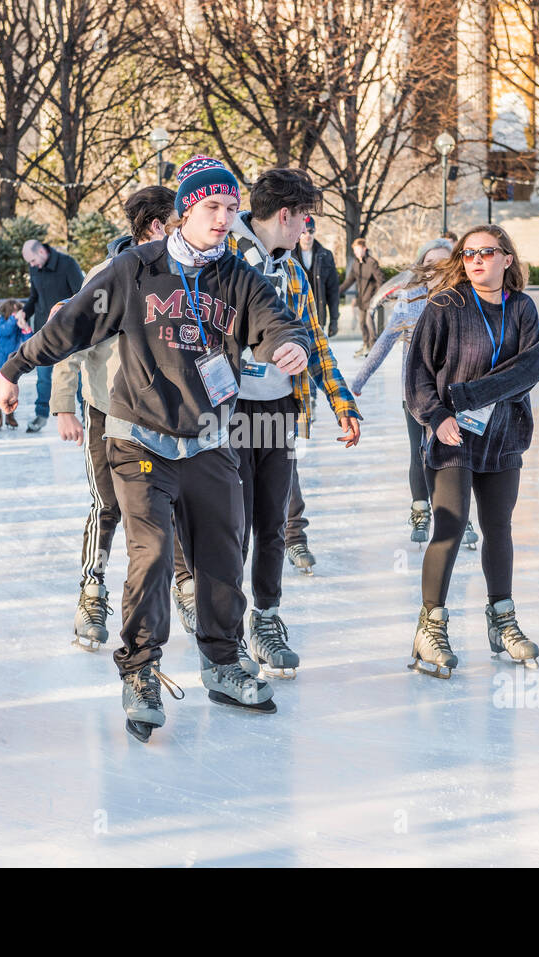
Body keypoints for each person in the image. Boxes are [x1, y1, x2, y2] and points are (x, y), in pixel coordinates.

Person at [0, 155, 310, 743]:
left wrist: (287, 346)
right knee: (154, 553)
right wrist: (14, 367)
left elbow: (276, 320)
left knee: (220, 558)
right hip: (138, 436)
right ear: (184, 212)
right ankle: (140, 670)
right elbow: (70, 327)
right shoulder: (135, 269)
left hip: (211, 439)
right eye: (211, 207)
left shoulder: (239, 277)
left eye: (231, 208)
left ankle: (222, 659)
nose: (223, 218)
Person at [173, 166, 360, 678]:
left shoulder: (294, 272)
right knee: (231, 524)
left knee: (272, 519)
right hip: (226, 412)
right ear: (287, 215)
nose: (307, 230)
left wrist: (343, 404)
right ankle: (223, 623)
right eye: (306, 220)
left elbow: (315, 341)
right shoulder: (222, 260)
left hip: (276, 411)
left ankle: (268, 616)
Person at [405, 225, 539, 678]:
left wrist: (467, 395)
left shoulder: (521, 308)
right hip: (453, 437)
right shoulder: (445, 306)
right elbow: (418, 375)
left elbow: (531, 367)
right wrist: (439, 414)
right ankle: (431, 625)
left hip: (503, 435)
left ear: (507, 257)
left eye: (487, 252)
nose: (476, 260)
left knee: (498, 528)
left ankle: (502, 620)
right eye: (468, 255)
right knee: (449, 525)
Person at [49, 186, 174, 651]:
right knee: (109, 505)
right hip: (106, 411)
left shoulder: (186, 274)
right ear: (159, 226)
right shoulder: (106, 276)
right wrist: (64, 404)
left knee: (168, 507)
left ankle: (180, 588)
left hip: (162, 414)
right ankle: (92, 589)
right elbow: (68, 336)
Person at [353, 239, 478, 548]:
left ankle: (459, 514)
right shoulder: (411, 299)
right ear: (423, 267)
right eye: (431, 263)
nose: (437, 269)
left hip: (453, 393)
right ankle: (420, 509)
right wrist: (357, 382)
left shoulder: (464, 298)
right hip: (416, 392)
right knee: (419, 450)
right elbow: (384, 341)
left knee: (455, 453)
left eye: (444, 263)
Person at [20, 238, 84, 433]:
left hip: (69, 332)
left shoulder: (67, 264)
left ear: (41, 252)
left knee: (78, 376)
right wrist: (25, 312)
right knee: (43, 377)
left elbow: (82, 295)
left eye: (32, 261)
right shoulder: (34, 269)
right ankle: (41, 414)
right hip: (44, 332)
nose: (32, 266)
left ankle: (87, 411)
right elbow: (34, 297)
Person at [292, 215, 340, 336]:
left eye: (311, 231)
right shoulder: (288, 255)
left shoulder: (326, 255)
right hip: (294, 317)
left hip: (317, 316)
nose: (308, 235)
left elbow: (333, 290)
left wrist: (334, 320)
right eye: (305, 231)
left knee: (317, 353)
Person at [0, 299, 28, 430]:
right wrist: (13, 319)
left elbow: (29, 341)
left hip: (11, 363)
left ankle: (10, 415)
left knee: (11, 388)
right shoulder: (1, 322)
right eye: (15, 311)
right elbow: (4, 331)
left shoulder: (17, 325)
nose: (17, 314)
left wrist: (25, 327)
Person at [340, 237, 383, 356]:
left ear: (364, 249)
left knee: (369, 323)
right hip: (362, 299)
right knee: (362, 323)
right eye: (355, 250)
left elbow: (380, 280)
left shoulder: (371, 262)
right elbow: (349, 281)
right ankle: (366, 345)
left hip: (371, 299)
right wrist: (337, 291)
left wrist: (377, 297)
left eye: (358, 249)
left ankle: (374, 348)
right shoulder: (355, 264)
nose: (356, 252)